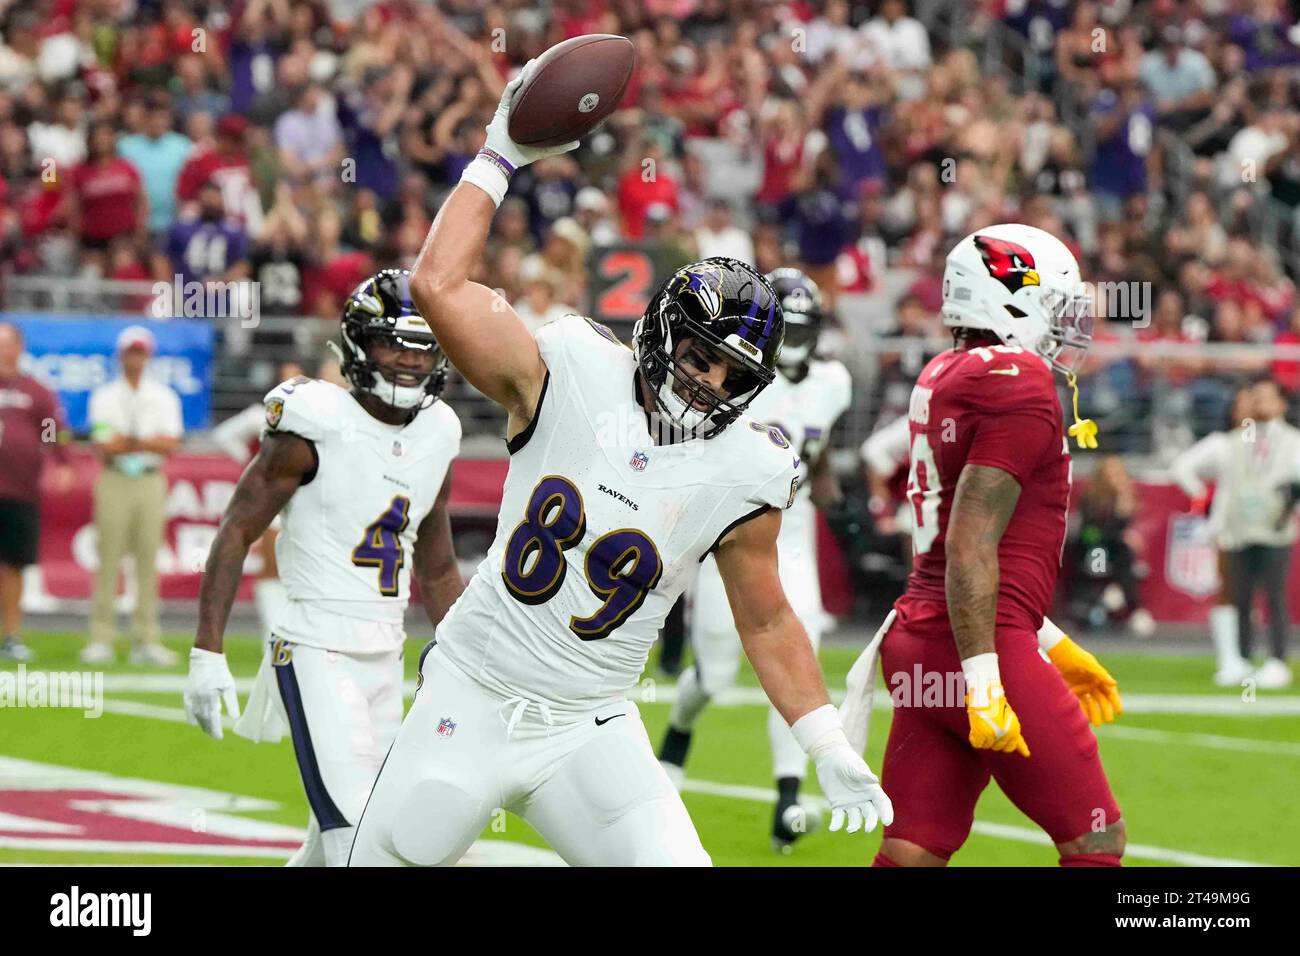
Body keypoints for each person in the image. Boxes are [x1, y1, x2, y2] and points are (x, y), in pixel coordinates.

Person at [348, 65, 891, 867]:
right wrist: (499, 153)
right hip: (473, 691)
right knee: (389, 856)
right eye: (701, 357)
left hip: (591, 722)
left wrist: (822, 738)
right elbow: (436, 283)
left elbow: (768, 617)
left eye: (731, 377)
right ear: (663, 330)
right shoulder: (568, 367)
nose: (708, 383)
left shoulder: (748, 466)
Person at [845, 224, 1126, 867]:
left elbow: (957, 550)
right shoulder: (1018, 380)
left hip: (920, 641)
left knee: (914, 849)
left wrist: (1055, 642)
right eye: (1056, 304)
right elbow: (971, 544)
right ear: (1010, 298)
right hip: (979, 646)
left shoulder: (946, 369)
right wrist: (986, 679)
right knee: (1096, 840)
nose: (1066, 324)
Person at [184, 270, 465, 867]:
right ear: (361, 344)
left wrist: (462, 664)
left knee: (336, 846)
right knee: (363, 845)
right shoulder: (315, 421)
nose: (411, 361)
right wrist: (206, 653)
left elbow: (438, 569)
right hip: (315, 647)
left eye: (423, 345)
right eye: (395, 343)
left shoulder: (439, 432)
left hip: (386, 655)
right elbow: (236, 530)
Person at [655, 269, 852, 852]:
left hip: (794, 534)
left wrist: (838, 500)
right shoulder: (738, 374)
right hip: (734, 529)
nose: (795, 341)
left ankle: (788, 796)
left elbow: (820, 451)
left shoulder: (834, 381)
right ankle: (678, 735)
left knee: (800, 656)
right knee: (713, 675)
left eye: (804, 328)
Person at [1171, 379, 1299, 689]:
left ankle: (1278, 659)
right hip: (1236, 529)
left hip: (1274, 528)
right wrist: (1206, 500)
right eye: (1255, 398)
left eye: (1266, 398)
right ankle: (1239, 659)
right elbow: (1184, 468)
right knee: (1238, 598)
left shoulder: (1293, 441)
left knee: (1274, 596)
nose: (1259, 404)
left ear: (1282, 403)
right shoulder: (1232, 441)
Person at [84, 326, 184, 666]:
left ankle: (146, 638)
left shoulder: (163, 396)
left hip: (149, 478)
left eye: (140, 352)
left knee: (147, 561)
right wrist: (144, 441)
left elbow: (170, 443)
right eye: (131, 352)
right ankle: (101, 637)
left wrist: (130, 442)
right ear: (122, 355)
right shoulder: (105, 395)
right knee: (108, 559)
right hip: (114, 477)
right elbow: (102, 445)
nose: (136, 358)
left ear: (148, 355)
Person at [209, 360, 308, 643]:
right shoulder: (261, 414)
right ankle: (272, 633)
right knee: (271, 568)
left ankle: (296, 632)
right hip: (274, 499)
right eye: (287, 379)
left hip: (307, 499)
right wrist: (252, 462)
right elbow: (222, 435)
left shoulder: (319, 416)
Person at [1169, 384, 1254, 685]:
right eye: (1242, 403)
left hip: (1264, 528)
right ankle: (1229, 660)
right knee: (1229, 591)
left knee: (1253, 594)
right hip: (1228, 527)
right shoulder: (1222, 443)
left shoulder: (1273, 442)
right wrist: (1203, 496)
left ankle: (1248, 657)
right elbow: (1181, 467)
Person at [0, 323, 75, 661]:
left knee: (13, 565)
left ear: (19, 347)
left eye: (7, 343)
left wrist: (62, 461)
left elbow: (52, 429)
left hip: (19, 488)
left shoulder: (36, 391)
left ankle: (11, 634)